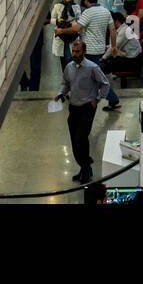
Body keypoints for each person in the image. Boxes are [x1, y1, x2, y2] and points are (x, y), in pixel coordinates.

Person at [53, 40, 110, 184]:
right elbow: (65, 83)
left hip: (87, 108)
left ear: (84, 52)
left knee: (80, 139)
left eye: (78, 51)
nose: (75, 54)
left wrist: (97, 99)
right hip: (74, 108)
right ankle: (85, 167)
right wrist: (60, 93)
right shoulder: (69, 67)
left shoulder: (93, 68)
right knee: (75, 142)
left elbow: (105, 84)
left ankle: (86, 169)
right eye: (73, 51)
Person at [56, 0, 120, 110]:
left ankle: (113, 99)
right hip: (100, 48)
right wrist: (113, 46)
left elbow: (76, 28)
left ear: (86, 0)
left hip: (90, 50)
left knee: (98, 78)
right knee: (93, 75)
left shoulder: (88, 13)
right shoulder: (105, 11)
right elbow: (112, 30)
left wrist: (61, 30)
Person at [99, 11, 143, 76]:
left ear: (116, 21)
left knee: (105, 63)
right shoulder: (123, 29)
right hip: (129, 56)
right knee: (107, 57)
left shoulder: (124, 31)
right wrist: (105, 47)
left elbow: (114, 47)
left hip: (132, 61)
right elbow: (113, 45)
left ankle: (104, 83)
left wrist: (102, 58)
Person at [50, 0, 80, 69]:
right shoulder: (57, 6)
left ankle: (70, 79)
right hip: (61, 36)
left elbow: (80, 21)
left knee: (71, 59)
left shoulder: (76, 7)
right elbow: (51, 19)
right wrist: (57, 21)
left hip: (72, 35)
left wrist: (75, 23)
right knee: (64, 61)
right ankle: (66, 78)